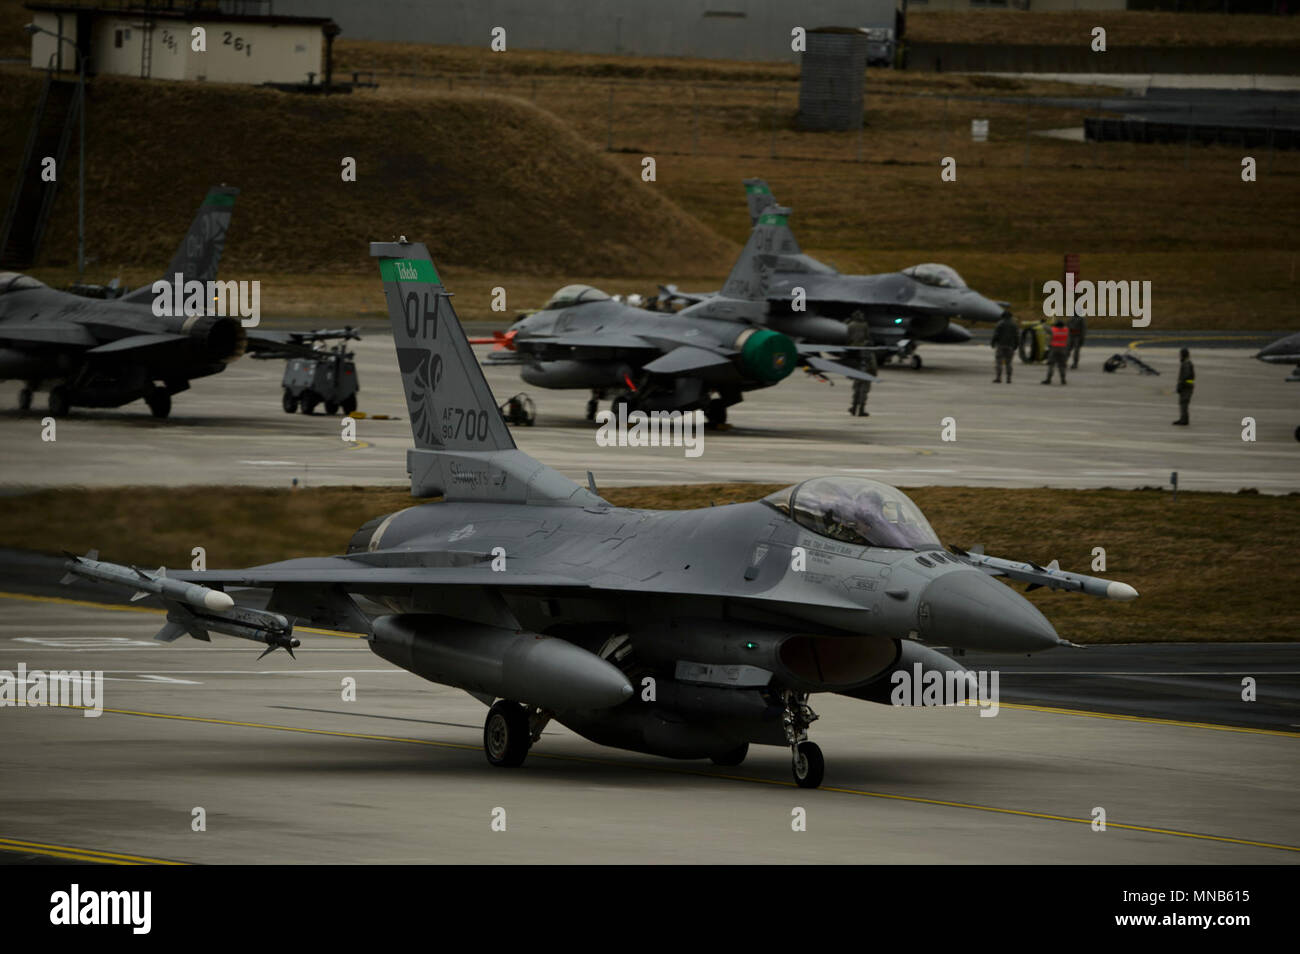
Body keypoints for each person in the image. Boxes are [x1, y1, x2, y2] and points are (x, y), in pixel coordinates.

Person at [846, 311, 877, 416]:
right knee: (864, 389)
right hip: (865, 369)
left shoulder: (850, 325)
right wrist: (873, 373)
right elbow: (872, 364)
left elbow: (848, 337)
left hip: (854, 356)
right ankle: (861, 409)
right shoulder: (865, 326)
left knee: (856, 387)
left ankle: (854, 408)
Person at [991, 312, 1019, 383]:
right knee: (1009, 363)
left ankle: (998, 378)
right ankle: (1009, 379)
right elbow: (1017, 336)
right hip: (1010, 346)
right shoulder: (1014, 324)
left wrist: (993, 342)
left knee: (999, 362)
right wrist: (1016, 345)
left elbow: (996, 334)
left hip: (1001, 345)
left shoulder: (1000, 323)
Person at [1041, 316, 1070, 385]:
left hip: (1054, 349)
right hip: (1063, 349)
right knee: (1062, 365)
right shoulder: (1066, 330)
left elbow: (1045, 328)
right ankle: (1063, 379)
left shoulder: (1053, 330)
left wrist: (1043, 323)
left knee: (1051, 364)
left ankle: (1048, 379)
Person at [1173, 348, 1195, 425]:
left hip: (1186, 386)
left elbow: (1185, 376)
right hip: (1187, 386)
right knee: (1183, 403)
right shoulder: (1187, 363)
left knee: (1184, 403)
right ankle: (1183, 418)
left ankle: (1184, 420)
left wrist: (1180, 385)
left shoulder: (1186, 364)